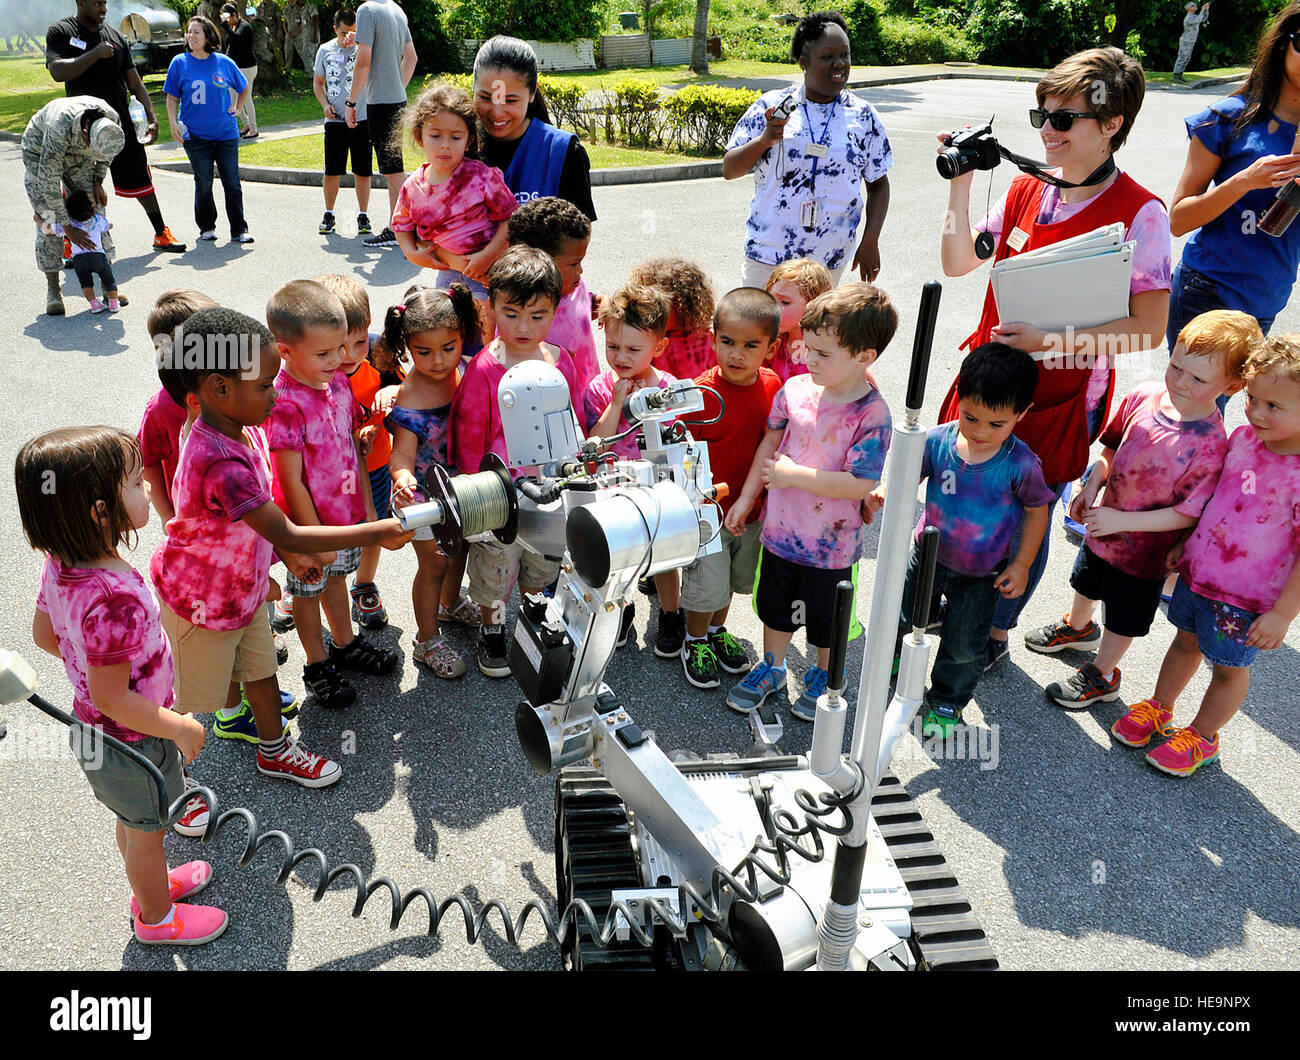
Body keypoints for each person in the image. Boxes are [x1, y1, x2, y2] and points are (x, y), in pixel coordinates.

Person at [936, 46, 1170, 671]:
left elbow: (1147, 331)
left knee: (1028, 509)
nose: (1045, 130)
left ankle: (996, 630)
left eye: (1064, 120)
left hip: (1063, 394)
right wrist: (960, 187)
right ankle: (956, 603)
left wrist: (1052, 342)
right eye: (1041, 114)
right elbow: (959, 262)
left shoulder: (1141, 213)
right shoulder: (1024, 189)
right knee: (969, 493)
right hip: (990, 378)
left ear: (1113, 124)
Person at [152, 308, 411, 795]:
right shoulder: (217, 461)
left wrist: (276, 565)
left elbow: (264, 517)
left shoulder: (242, 429)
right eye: (266, 385)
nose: (276, 393)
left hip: (241, 591)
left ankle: (274, 751)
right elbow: (286, 529)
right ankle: (166, 784)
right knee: (182, 701)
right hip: (200, 604)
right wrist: (374, 531)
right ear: (219, 388)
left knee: (261, 668)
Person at [19, 425, 228, 946]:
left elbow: (46, 634)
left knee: (138, 824)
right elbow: (114, 697)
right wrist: (178, 726)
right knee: (147, 830)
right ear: (98, 512)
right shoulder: (113, 597)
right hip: (129, 742)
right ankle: (157, 921)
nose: (150, 490)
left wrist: (90, 669)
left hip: (99, 733)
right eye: (135, 483)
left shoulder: (64, 564)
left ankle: (150, 882)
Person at [1027, 310, 1256, 710]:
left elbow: (1187, 513)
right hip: (1102, 529)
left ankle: (1104, 674)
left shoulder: (1211, 445)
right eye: (1175, 366)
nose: (1180, 381)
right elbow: (1110, 450)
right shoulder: (1145, 395)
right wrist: (1092, 484)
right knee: (1086, 582)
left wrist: (1122, 520)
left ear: (1233, 385)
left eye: (1199, 378)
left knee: (1124, 616)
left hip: (1143, 555)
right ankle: (1078, 627)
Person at [1113, 335, 1300, 777]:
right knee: (1184, 641)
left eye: (1274, 406)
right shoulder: (1241, 438)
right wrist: (1189, 542)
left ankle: (1204, 735)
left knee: (1228, 668)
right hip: (1200, 575)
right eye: (1253, 399)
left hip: (1248, 599)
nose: (1256, 412)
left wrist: (1283, 615)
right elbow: (1216, 497)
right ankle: (1161, 707)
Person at [724, 283, 894, 720]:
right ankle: (773, 667)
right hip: (781, 535)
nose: (808, 359)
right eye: (807, 347)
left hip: (831, 548)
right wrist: (746, 499)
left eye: (822, 353)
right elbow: (771, 441)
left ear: (864, 357)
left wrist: (791, 476)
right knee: (776, 609)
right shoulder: (795, 390)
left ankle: (824, 674)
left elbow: (861, 483)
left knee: (826, 620)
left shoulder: (871, 415)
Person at [868, 344, 1054, 734]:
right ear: (958, 400)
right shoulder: (937, 441)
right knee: (903, 617)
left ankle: (947, 701)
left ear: (1022, 414)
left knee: (964, 645)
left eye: (996, 424)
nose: (981, 432)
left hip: (983, 572)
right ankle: (899, 662)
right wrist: (886, 489)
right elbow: (906, 475)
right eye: (971, 417)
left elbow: (1038, 511)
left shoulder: (1021, 464)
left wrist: (1021, 564)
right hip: (928, 554)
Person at [448, 246, 586, 677]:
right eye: (511, 314)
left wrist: (575, 474)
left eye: (537, 316)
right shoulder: (486, 369)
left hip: (549, 493)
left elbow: (574, 422)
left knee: (542, 562)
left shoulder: (561, 361)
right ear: (491, 308)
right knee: (495, 566)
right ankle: (491, 626)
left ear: (555, 310)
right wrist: (476, 498)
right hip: (500, 496)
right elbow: (470, 437)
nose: (523, 327)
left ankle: (531, 617)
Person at [265, 281, 402, 708]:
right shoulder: (286, 401)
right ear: (285, 351)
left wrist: (366, 508)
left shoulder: (336, 382)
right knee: (306, 594)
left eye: (342, 348)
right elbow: (289, 480)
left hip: (343, 517)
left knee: (337, 580)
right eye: (324, 353)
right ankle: (318, 662)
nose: (340, 359)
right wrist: (312, 538)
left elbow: (350, 446)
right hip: (309, 527)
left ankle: (343, 642)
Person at [1168, 2, 1300, 357]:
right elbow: (1178, 219)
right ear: (1283, 45)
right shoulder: (1226, 120)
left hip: (1266, 300)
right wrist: (1244, 181)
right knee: (1196, 409)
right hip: (1208, 291)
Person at [723, 10, 891, 288]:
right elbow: (729, 169)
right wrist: (764, 140)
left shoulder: (863, 115)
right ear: (804, 62)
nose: (839, 64)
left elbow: (879, 184)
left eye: (845, 55)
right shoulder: (772, 107)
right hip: (768, 259)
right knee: (761, 331)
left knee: (815, 332)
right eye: (827, 57)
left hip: (828, 263)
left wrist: (870, 240)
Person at [678, 287, 783, 690]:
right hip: (709, 512)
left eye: (750, 345)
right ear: (712, 338)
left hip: (753, 509)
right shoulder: (698, 395)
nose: (736, 354)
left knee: (735, 579)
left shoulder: (773, 388)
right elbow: (679, 455)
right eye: (727, 342)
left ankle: (717, 632)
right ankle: (695, 638)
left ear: (771, 348)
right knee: (707, 580)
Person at [386, 286, 482, 678]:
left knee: (460, 548)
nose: (438, 360)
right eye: (423, 352)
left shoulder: (465, 369)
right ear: (407, 346)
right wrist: (402, 478)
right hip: (426, 495)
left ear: (463, 335)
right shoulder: (410, 395)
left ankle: (450, 603)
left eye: (449, 346)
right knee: (433, 561)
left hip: (462, 483)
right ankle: (426, 639)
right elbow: (401, 453)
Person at [583, 284, 684, 656]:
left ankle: (671, 613)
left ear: (659, 348)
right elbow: (595, 444)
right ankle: (621, 611)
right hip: (614, 489)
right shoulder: (599, 387)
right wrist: (617, 401)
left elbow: (675, 441)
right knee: (619, 558)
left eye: (632, 349)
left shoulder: (669, 388)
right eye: (612, 347)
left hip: (657, 490)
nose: (620, 357)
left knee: (664, 556)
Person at [46, 0, 186, 256]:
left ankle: (161, 233)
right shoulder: (62, 31)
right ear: (80, 2)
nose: (103, 7)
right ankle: (71, 240)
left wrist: (151, 117)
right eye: (97, 2)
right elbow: (57, 71)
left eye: (105, 2)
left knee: (141, 179)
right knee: (78, 186)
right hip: (82, 127)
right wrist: (94, 54)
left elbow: (134, 81)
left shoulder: (115, 36)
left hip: (120, 123)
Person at [391, 82, 516, 317]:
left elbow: (511, 219)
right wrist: (411, 253)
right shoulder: (412, 187)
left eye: (455, 137)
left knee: (484, 326)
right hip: (446, 273)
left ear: (469, 140)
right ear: (420, 137)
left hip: (488, 272)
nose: (445, 145)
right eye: (436, 136)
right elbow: (401, 225)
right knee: (447, 328)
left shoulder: (481, 177)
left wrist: (484, 257)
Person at [315, 272, 393, 632]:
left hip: (376, 465)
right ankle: (311, 582)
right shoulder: (314, 373)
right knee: (331, 538)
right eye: (337, 346)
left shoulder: (380, 355)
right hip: (328, 478)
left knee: (372, 528)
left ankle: (364, 583)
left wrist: (384, 415)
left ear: (369, 329)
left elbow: (402, 393)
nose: (348, 356)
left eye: (358, 342)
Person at [471, 36, 596, 221]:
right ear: (473, 87)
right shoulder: (457, 144)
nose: (497, 112)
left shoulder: (563, 152)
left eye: (511, 100)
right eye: (486, 97)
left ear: (532, 93)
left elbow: (577, 242)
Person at [22, 95, 123, 316]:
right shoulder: (60, 125)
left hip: (80, 155)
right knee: (49, 218)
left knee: (92, 209)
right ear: (86, 134)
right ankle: (53, 289)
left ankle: (109, 283)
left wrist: (98, 181)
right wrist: (68, 229)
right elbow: (49, 184)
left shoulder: (112, 122)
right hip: (40, 154)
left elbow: (107, 155)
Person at [163, 16, 254, 245]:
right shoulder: (179, 63)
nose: (191, 37)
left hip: (225, 134)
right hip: (195, 136)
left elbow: (243, 87)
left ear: (207, 37)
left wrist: (238, 107)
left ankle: (239, 229)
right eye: (189, 32)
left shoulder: (223, 62)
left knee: (232, 182)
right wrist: (173, 122)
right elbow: (172, 97)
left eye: (196, 33)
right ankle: (207, 226)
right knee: (203, 182)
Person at [138, 290, 220, 526]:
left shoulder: (235, 391)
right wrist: (167, 515)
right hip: (192, 518)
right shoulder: (161, 408)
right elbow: (148, 460)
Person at [345, 0, 417, 248]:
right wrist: (399, 86)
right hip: (396, 99)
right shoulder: (397, 9)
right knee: (392, 170)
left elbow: (363, 62)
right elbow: (411, 57)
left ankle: (417, 225)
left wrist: (351, 102)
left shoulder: (366, 10)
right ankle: (395, 228)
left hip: (380, 103)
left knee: (394, 173)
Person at [506, 196, 599, 389]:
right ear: (542, 262)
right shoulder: (522, 312)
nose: (580, 271)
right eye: (574, 263)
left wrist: (596, 301)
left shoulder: (575, 285)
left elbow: (578, 306)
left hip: (590, 396)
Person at [314, 7, 373, 236]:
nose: (348, 37)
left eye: (354, 32)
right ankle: (329, 213)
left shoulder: (364, 49)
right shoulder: (325, 50)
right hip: (335, 121)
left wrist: (357, 41)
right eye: (344, 33)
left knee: (363, 171)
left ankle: (363, 214)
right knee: (332, 171)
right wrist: (324, 105)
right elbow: (318, 83)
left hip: (361, 118)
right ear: (335, 29)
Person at [627, 257, 717, 380]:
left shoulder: (706, 340)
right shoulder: (648, 338)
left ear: (682, 307)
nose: (648, 312)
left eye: (657, 305)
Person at [765, 257, 832, 382]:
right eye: (770, 299)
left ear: (812, 305)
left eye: (785, 302)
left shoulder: (829, 349)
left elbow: (860, 378)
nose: (772, 308)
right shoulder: (770, 342)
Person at [56, 189, 118, 312]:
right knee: (109, 280)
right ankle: (114, 304)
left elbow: (51, 230)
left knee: (86, 284)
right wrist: (108, 222)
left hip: (79, 260)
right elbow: (109, 225)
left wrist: (38, 220)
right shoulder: (96, 220)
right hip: (98, 257)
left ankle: (94, 304)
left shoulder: (69, 224)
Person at [220, 3, 258, 138]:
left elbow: (238, 40)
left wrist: (225, 26)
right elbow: (229, 45)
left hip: (247, 67)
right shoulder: (233, 27)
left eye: (227, 17)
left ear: (234, 15)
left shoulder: (244, 26)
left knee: (246, 98)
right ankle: (246, 124)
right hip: (235, 68)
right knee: (232, 99)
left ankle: (253, 129)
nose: (226, 21)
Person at [1173, 3, 1212, 83]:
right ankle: (1176, 75)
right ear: (1188, 9)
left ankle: (1180, 74)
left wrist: (1206, 10)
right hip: (1186, 41)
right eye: (1192, 6)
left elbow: (1203, 19)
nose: (1195, 6)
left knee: (1186, 59)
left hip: (1191, 41)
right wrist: (1202, 10)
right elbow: (1197, 20)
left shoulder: (1194, 16)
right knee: (1182, 58)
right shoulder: (1188, 18)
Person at [283, 0, 318, 73]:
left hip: (300, 35)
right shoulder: (286, 9)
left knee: (304, 55)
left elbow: (304, 23)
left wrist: (295, 33)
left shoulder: (300, 8)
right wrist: (287, 33)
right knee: (287, 53)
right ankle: (287, 70)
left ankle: (311, 72)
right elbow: (285, 22)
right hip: (289, 35)